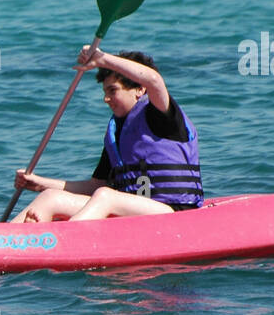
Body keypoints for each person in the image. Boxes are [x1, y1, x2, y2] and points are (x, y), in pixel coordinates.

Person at [11, 46, 202, 223]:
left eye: (113, 90)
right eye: (105, 91)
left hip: (175, 212)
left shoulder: (160, 116)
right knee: (51, 198)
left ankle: (65, 240)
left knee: (105, 196)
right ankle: (3, 240)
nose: (106, 99)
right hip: (131, 211)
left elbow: (154, 80)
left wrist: (103, 59)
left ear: (139, 89)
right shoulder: (118, 132)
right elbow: (94, 186)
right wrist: (40, 183)